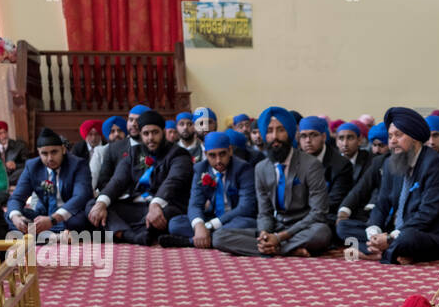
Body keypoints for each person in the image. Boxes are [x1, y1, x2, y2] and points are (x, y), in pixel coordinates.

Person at [212, 107, 330, 258]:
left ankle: (275, 247)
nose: (275, 137)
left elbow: (318, 213)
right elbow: (264, 212)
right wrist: (264, 235)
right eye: (269, 131)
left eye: (280, 130)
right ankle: (284, 249)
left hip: (303, 227)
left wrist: (280, 237)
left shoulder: (311, 164)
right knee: (219, 237)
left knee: (322, 232)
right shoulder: (261, 168)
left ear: (291, 133)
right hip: (276, 225)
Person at [357, 107, 439, 264]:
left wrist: (390, 237)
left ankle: (377, 252)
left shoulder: (434, 165)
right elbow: (382, 203)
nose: (392, 141)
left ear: (415, 139)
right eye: (390, 136)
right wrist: (374, 230)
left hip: (428, 233)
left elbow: (427, 214)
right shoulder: (391, 162)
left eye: (398, 135)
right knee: (344, 227)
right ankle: (387, 251)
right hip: (396, 230)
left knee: (408, 239)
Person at [89, 109, 194, 244]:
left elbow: (172, 182)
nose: (150, 138)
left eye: (155, 132)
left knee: (163, 218)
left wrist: (155, 205)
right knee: (93, 205)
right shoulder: (134, 153)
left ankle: (118, 231)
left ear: (163, 132)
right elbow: (118, 180)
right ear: (141, 135)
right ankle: (131, 235)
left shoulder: (178, 154)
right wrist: (102, 203)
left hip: (164, 206)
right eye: (146, 133)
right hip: (137, 207)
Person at [158, 131, 257, 249]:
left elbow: (245, 207)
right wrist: (199, 225)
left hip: (236, 219)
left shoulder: (243, 169)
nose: (218, 160)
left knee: (248, 224)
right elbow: (195, 204)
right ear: (206, 154)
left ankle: (191, 241)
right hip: (213, 217)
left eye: (222, 154)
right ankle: (212, 239)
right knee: (176, 223)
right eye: (212, 155)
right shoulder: (201, 169)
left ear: (230, 151)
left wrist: (209, 226)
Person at [5, 127, 94, 237]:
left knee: (79, 222)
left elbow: (81, 196)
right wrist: (16, 218)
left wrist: (53, 219)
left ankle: (39, 235)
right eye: (45, 154)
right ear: (39, 153)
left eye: (54, 152)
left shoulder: (78, 165)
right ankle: (55, 236)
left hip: (69, 214)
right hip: (43, 215)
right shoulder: (32, 166)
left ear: (63, 149)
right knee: (8, 216)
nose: (50, 158)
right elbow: (17, 197)